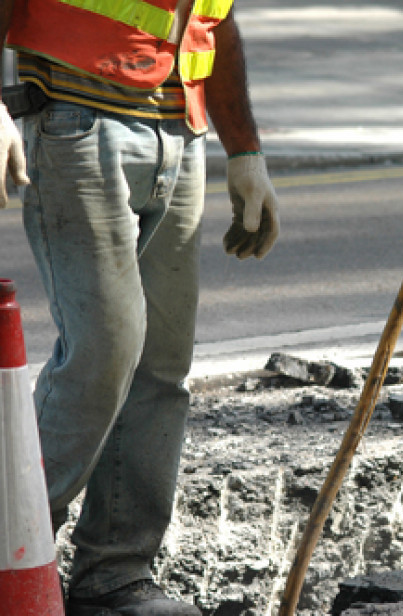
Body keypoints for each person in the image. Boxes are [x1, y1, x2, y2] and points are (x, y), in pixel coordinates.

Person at [0, 1, 279, 613]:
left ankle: (115, 575)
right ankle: (10, 553)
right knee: (104, 348)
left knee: (160, 364)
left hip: (181, 128)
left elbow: (216, 19)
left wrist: (245, 151)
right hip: (78, 117)